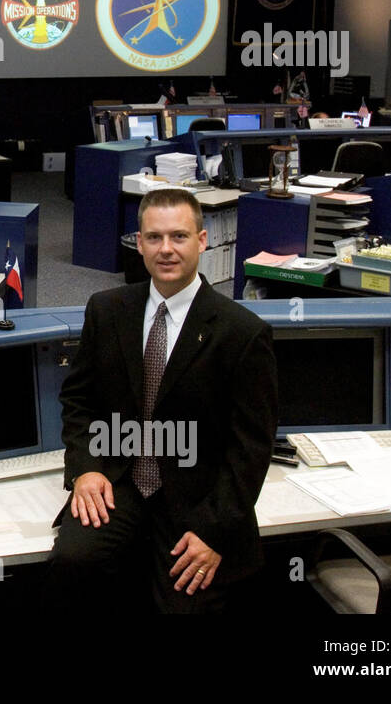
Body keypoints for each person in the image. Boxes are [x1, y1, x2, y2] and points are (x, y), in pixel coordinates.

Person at [46, 188, 278, 612]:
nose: (166, 249)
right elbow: (78, 399)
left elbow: (251, 448)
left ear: (202, 240)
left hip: (198, 497)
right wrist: (85, 469)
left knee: (184, 603)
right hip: (121, 480)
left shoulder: (241, 332)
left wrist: (216, 531)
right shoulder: (107, 308)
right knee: (72, 561)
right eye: (154, 237)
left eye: (179, 237)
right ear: (138, 243)